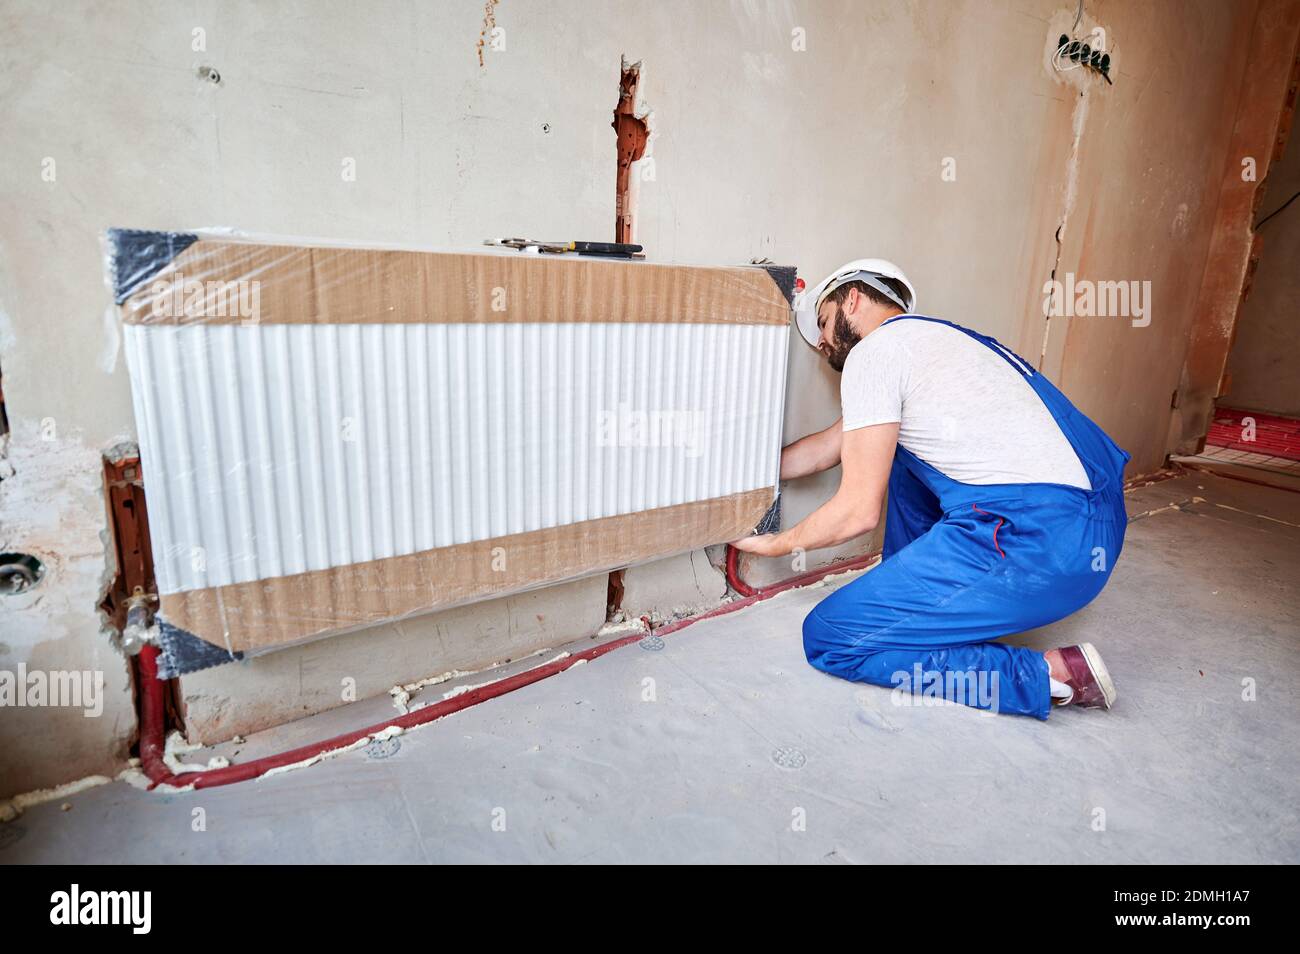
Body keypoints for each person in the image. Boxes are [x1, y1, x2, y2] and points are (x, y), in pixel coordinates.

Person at [732, 259, 1130, 718]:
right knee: (894, 448)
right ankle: (921, 603)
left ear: (853, 299)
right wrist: (742, 472)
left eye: (822, 322)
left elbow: (858, 511)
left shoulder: (874, 353)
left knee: (832, 637)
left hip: (1032, 545)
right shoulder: (945, 343)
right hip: (1094, 536)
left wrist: (775, 544)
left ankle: (1048, 676)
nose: (821, 342)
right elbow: (829, 447)